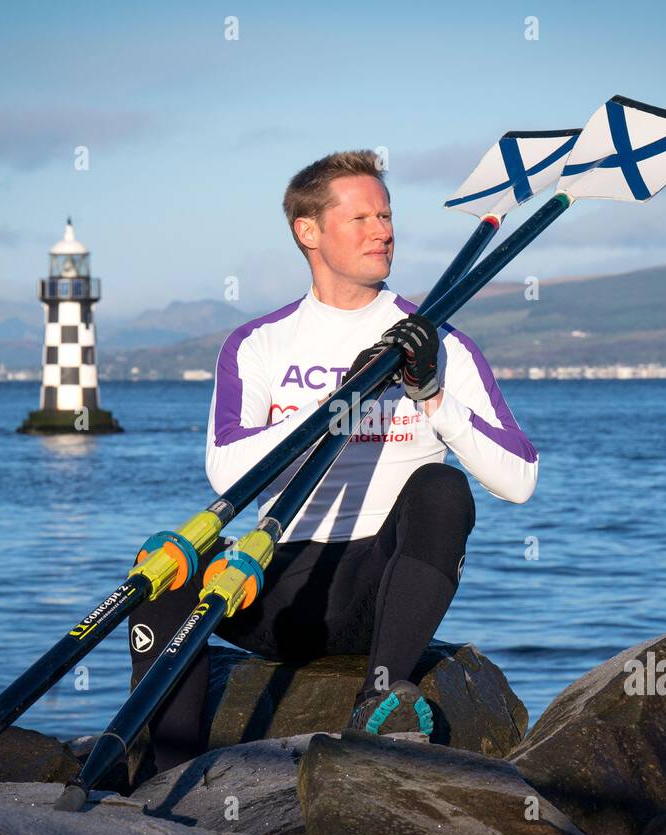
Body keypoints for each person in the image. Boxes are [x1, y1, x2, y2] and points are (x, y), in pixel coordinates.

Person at [127, 149, 538, 771]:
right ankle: (163, 772)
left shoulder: (437, 340)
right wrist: (335, 399)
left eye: (388, 215)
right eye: (363, 218)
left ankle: (380, 699)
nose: (384, 231)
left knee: (441, 486)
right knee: (165, 563)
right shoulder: (258, 343)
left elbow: (519, 479)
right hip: (276, 583)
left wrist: (431, 394)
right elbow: (226, 471)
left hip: (377, 585)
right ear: (308, 231)